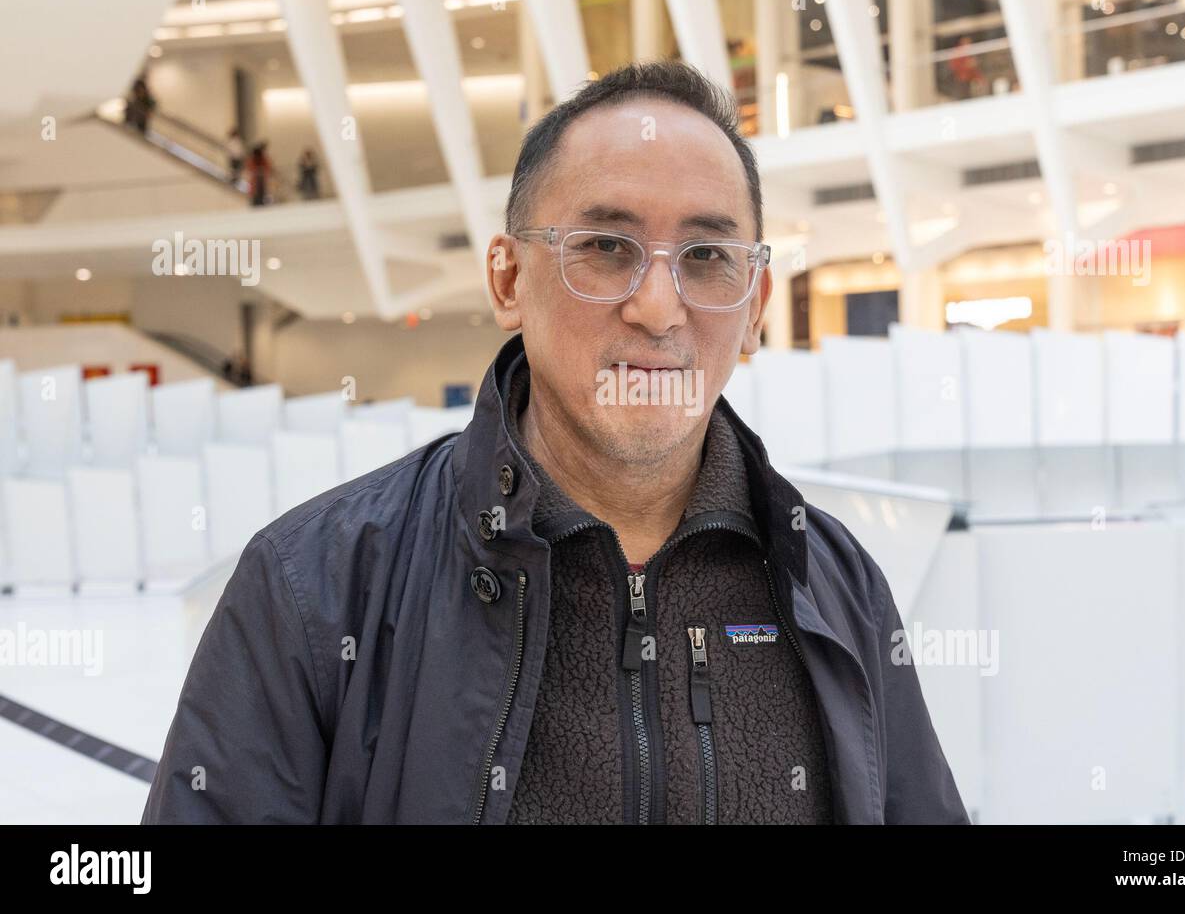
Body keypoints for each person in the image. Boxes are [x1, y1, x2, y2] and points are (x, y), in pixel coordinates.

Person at [141, 61, 968, 825]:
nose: (658, 306)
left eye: (708, 256)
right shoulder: (317, 587)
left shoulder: (838, 588)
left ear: (755, 307)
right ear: (508, 280)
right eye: (607, 248)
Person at [246, 142, 271, 206]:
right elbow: (250, 168)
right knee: (255, 194)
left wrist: (262, 171)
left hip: (261, 180)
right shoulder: (252, 160)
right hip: (255, 181)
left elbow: (267, 167)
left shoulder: (263, 159)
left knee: (261, 193)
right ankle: (256, 203)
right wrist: (257, 171)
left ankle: (261, 202)